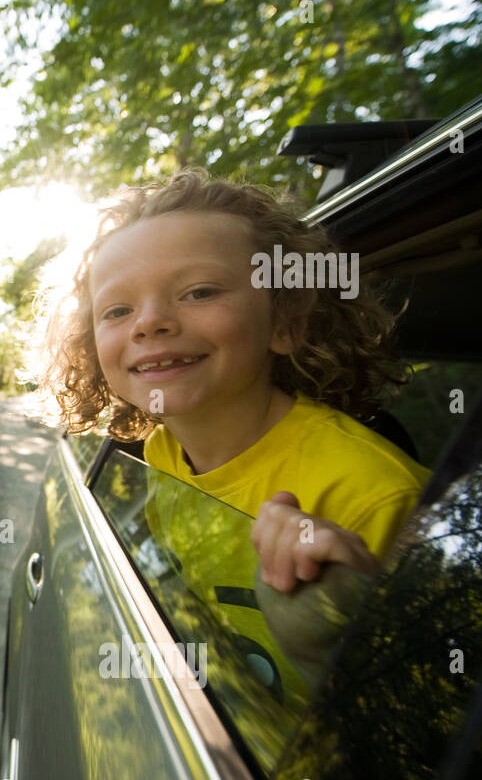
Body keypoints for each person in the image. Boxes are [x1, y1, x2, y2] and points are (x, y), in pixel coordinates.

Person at [33, 168, 431, 713]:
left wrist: (332, 651)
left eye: (200, 291)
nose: (149, 323)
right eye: (118, 310)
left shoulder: (378, 498)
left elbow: (425, 731)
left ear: (284, 323)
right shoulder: (162, 453)